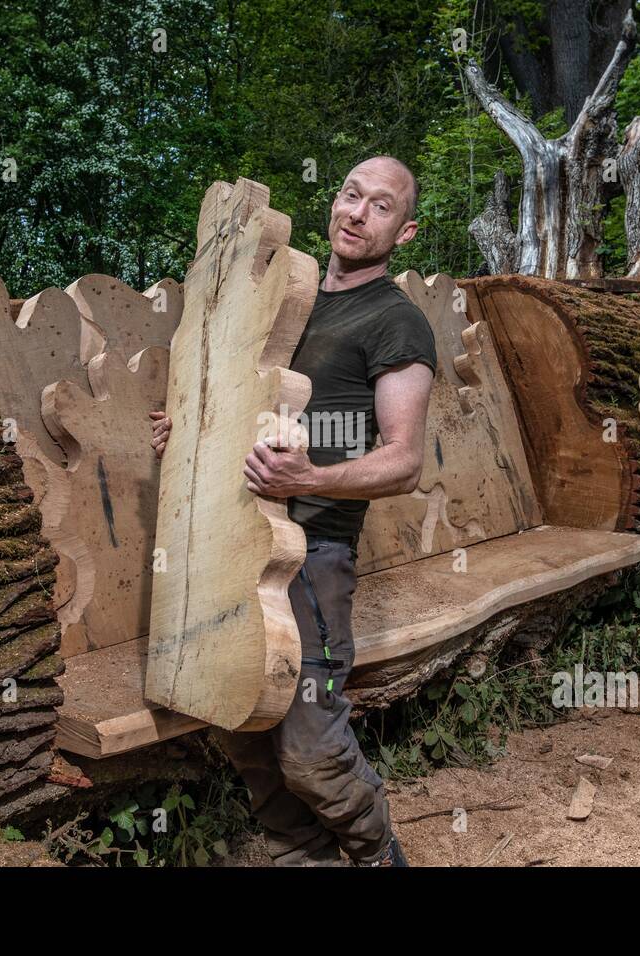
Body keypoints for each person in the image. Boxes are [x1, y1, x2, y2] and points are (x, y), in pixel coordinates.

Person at [150, 156, 436, 866]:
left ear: (405, 232)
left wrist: (311, 473)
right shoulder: (287, 300)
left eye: (381, 207)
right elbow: (244, 402)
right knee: (243, 725)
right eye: (351, 195)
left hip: (313, 556)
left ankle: (379, 857)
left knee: (309, 748)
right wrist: (187, 430)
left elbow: (404, 460)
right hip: (228, 539)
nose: (357, 213)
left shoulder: (396, 321)